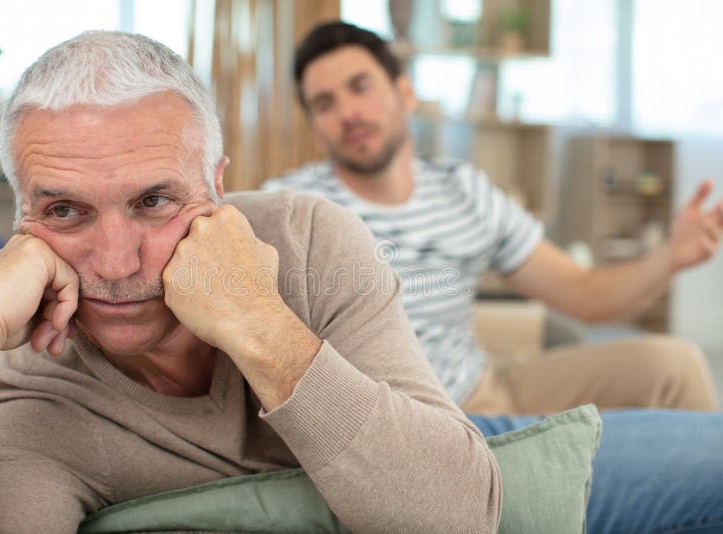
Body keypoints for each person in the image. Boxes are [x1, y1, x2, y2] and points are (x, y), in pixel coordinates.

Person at [0, 31, 502, 533]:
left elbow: (464, 514)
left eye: (154, 201)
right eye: (65, 211)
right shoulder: (38, 398)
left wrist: (257, 323)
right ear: (19, 214)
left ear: (216, 187)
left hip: (445, 422)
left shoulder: (309, 238)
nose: (117, 264)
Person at [263, 20, 723, 534]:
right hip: (400, 426)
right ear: (315, 127)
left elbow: (585, 293)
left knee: (674, 365)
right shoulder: (291, 208)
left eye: (360, 86)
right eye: (324, 103)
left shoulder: (465, 191)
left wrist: (672, 257)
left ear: (405, 93)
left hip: (485, 385)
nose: (348, 112)